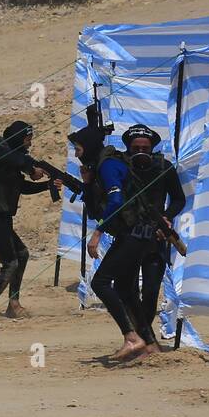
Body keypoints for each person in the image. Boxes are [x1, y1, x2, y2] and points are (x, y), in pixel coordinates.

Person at [83, 124, 186, 361]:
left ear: (152, 148)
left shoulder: (163, 167)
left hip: (156, 238)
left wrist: (167, 218)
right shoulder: (121, 168)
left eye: (145, 147)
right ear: (128, 147)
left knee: (150, 292)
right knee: (126, 289)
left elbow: (179, 199)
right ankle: (143, 341)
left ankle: (144, 341)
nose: (141, 150)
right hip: (131, 234)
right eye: (136, 147)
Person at [0, 120, 62, 319]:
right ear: (18, 138)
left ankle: (14, 303)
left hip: (1, 216)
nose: (29, 144)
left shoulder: (11, 161)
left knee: (22, 254)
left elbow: (22, 187)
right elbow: (14, 159)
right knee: (10, 262)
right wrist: (31, 167)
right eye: (27, 140)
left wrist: (47, 185)